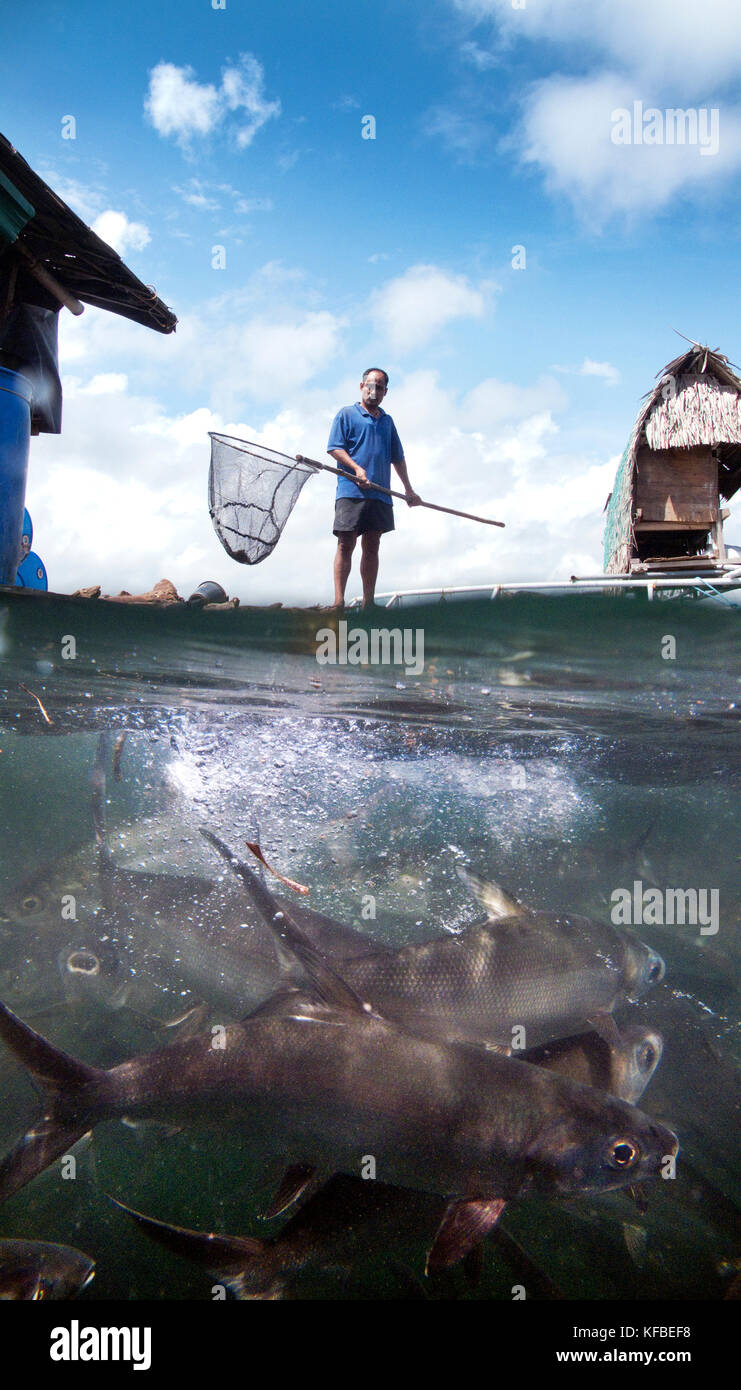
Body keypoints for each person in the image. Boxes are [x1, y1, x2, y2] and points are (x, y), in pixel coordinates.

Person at [327, 367, 421, 608]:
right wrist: (356, 470)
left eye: (379, 387)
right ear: (361, 387)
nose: (374, 390)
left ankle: (369, 603)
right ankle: (339, 602)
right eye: (370, 385)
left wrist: (409, 490)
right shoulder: (346, 414)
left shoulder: (387, 422)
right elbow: (335, 448)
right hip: (351, 492)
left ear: (385, 392)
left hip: (380, 495)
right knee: (345, 544)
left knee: (372, 546)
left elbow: (397, 457)